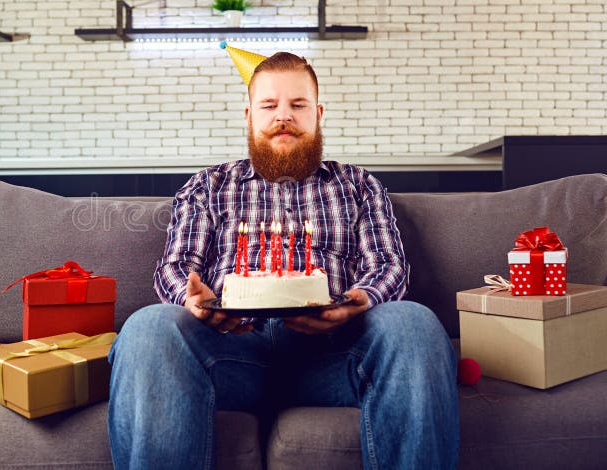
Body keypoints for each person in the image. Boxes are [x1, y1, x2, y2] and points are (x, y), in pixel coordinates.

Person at [108, 50, 459, 469]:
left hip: (334, 355)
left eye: (298, 104)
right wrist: (193, 299)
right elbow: (176, 265)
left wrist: (357, 301)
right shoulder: (209, 185)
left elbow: (388, 265)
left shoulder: (359, 185)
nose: (283, 116)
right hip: (229, 353)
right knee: (148, 326)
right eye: (269, 105)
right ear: (249, 115)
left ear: (318, 113)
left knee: (414, 321)